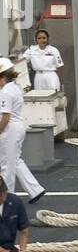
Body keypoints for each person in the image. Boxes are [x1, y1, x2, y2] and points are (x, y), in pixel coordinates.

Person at [0, 58, 45, 203]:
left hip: (10, 129)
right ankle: (35, 189)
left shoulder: (5, 92)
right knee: (16, 160)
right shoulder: (15, 87)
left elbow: (5, 117)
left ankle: (7, 197)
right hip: (18, 127)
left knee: (7, 165)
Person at [23, 28, 63, 92]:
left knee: (53, 94)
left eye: (44, 38)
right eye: (39, 38)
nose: (41, 40)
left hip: (51, 75)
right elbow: (23, 60)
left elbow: (60, 66)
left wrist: (60, 79)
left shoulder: (53, 50)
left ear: (47, 39)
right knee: (40, 96)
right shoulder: (31, 49)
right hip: (38, 76)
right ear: (36, 39)